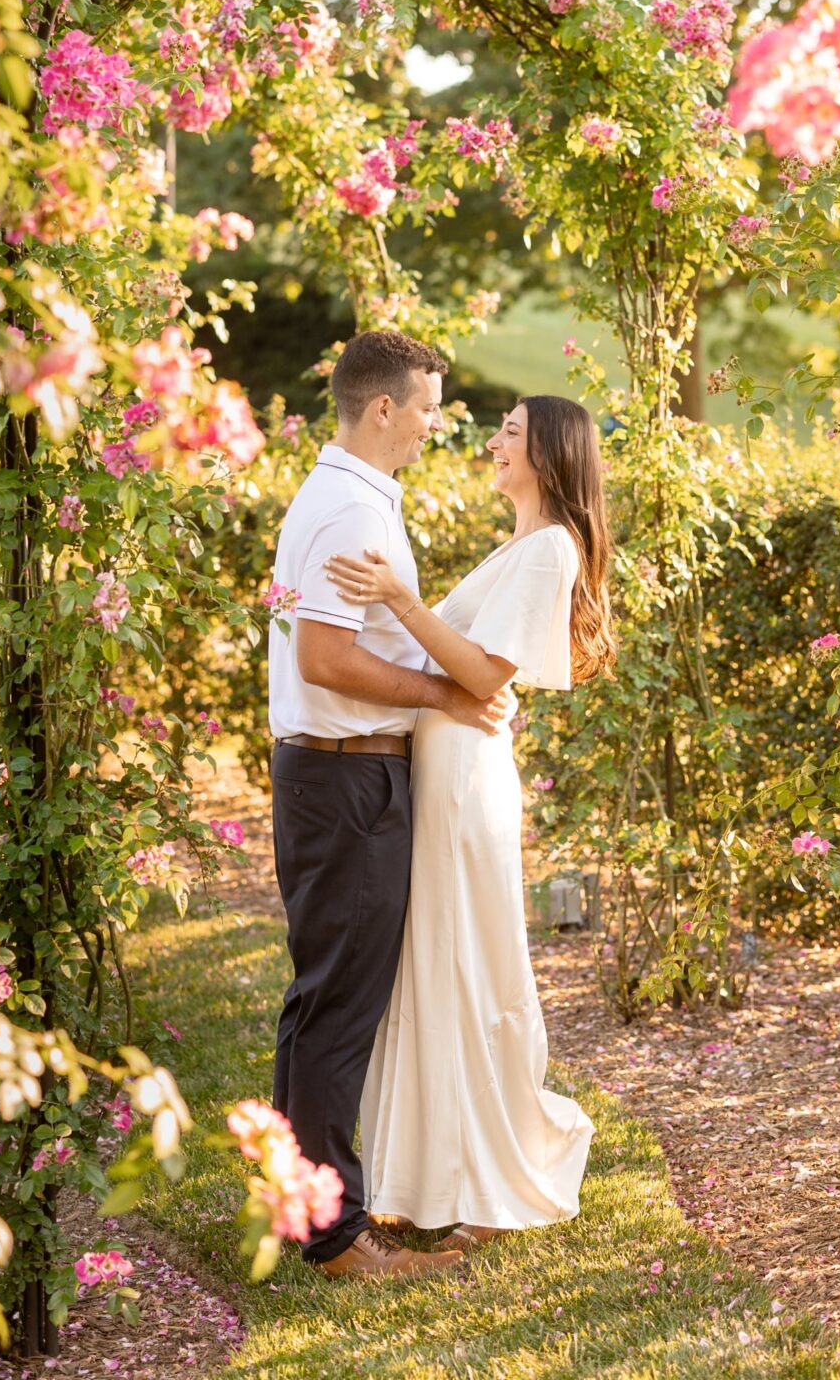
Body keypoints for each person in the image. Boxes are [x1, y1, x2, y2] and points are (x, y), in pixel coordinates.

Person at [327, 394, 617, 1251]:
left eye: (511, 434)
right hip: (445, 767)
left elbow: (485, 676)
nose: (492, 443)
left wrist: (397, 598)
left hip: (463, 779)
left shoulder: (547, 550)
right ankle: (426, 1178)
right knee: (433, 968)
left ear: (552, 456)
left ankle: (492, 1193)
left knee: (470, 968)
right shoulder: (523, 545)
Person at [267, 328, 509, 1280]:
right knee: (339, 1010)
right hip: (347, 776)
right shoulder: (347, 512)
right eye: (426, 408)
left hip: (330, 773)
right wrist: (445, 695)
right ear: (382, 409)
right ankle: (335, 1239)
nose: (434, 425)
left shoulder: (342, 496)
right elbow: (326, 659)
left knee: (318, 998)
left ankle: (302, 1210)